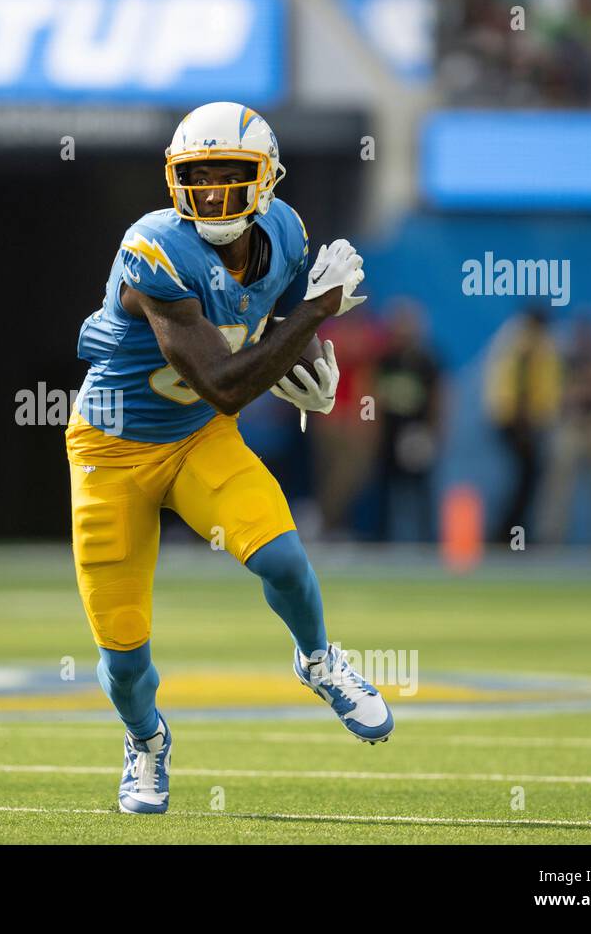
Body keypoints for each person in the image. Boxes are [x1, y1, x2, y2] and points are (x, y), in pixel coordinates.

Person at [67, 102, 393, 816]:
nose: (212, 194)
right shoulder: (153, 249)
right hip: (111, 451)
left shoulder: (285, 230)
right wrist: (317, 312)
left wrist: (306, 353)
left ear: (268, 178)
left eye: (229, 176)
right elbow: (223, 384)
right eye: (196, 178)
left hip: (194, 438)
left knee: (281, 555)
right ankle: (146, 743)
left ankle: (318, 660)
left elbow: (267, 320)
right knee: (123, 659)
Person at [538, 312, 591, 544]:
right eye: (582, 336)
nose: (586, 340)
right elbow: (558, 396)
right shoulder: (565, 362)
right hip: (572, 425)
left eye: (590, 336)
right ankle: (550, 537)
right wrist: (579, 391)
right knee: (559, 485)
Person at [484, 307, 561, 543]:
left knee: (525, 478)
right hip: (518, 423)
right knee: (527, 477)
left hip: (518, 420)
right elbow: (522, 387)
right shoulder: (526, 344)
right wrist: (523, 426)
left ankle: (510, 532)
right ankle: (509, 533)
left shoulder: (517, 340)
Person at [373, 298, 443, 543]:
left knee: (420, 490)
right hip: (390, 433)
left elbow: (438, 397)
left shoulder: (427, 360)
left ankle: (427, 541)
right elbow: (373, 396)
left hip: (417, 433)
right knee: (386, 489)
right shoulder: (385, 360)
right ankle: (383, 540)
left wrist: (433, 433)